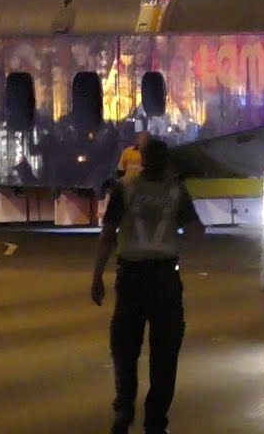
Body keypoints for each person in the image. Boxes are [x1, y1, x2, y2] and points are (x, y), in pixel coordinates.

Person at [92, 138, 204, 434]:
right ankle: (155, 421)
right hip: (164, 278)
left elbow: (107, 235)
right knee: (165, 353)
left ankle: (124, 411)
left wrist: (97, 278)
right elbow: (196, 231)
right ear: (167, 160)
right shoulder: (175, 190)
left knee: (125, 348)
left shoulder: (125, 189)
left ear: (141, 159)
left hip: (131, 278)